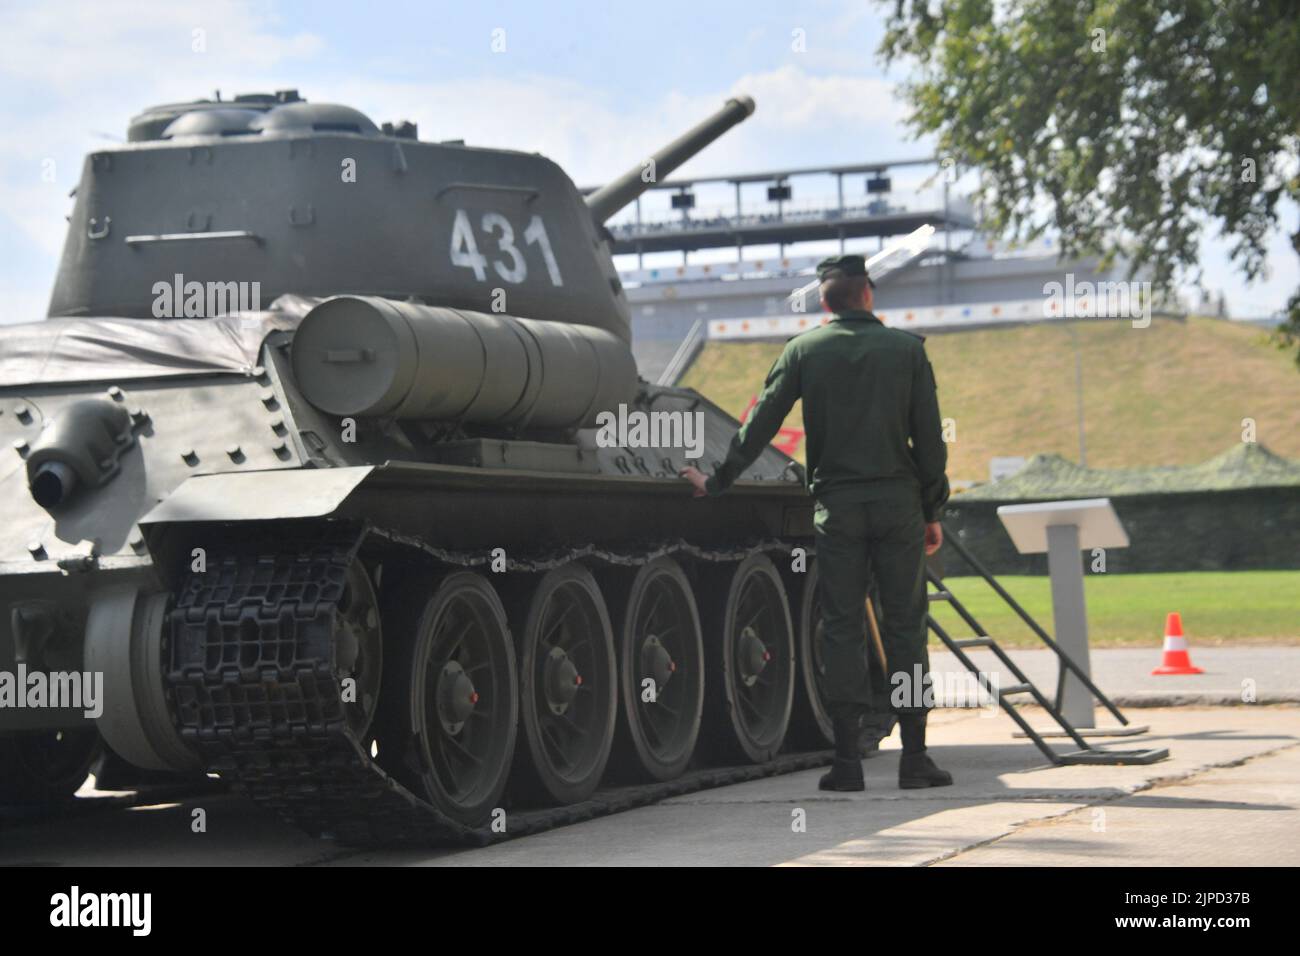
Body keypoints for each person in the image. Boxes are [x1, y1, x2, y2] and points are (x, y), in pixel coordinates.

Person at [680, 253, 953, 791]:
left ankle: (847, 762)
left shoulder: (803, 352)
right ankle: (915, 757)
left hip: (838, 509)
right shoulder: (907, 352)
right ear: (868, 296)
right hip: (899, 508)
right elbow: (931, 440)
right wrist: (932, 510)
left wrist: (717, 481)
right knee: (906, 630)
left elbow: (759, 425)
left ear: (825, 303)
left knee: (843, 630)